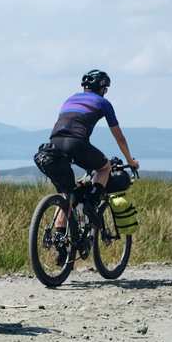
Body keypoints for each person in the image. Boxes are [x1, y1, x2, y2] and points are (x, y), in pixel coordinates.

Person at [49, 70, 139, 246]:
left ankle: (59, 239)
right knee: (104, 167)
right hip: (76, 143)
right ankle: (91, 203)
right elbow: (119, 137)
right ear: (103, 88)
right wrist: (130, 161)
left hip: (54, 142)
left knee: (67, 194)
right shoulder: (103, 102)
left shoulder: (70, 99)